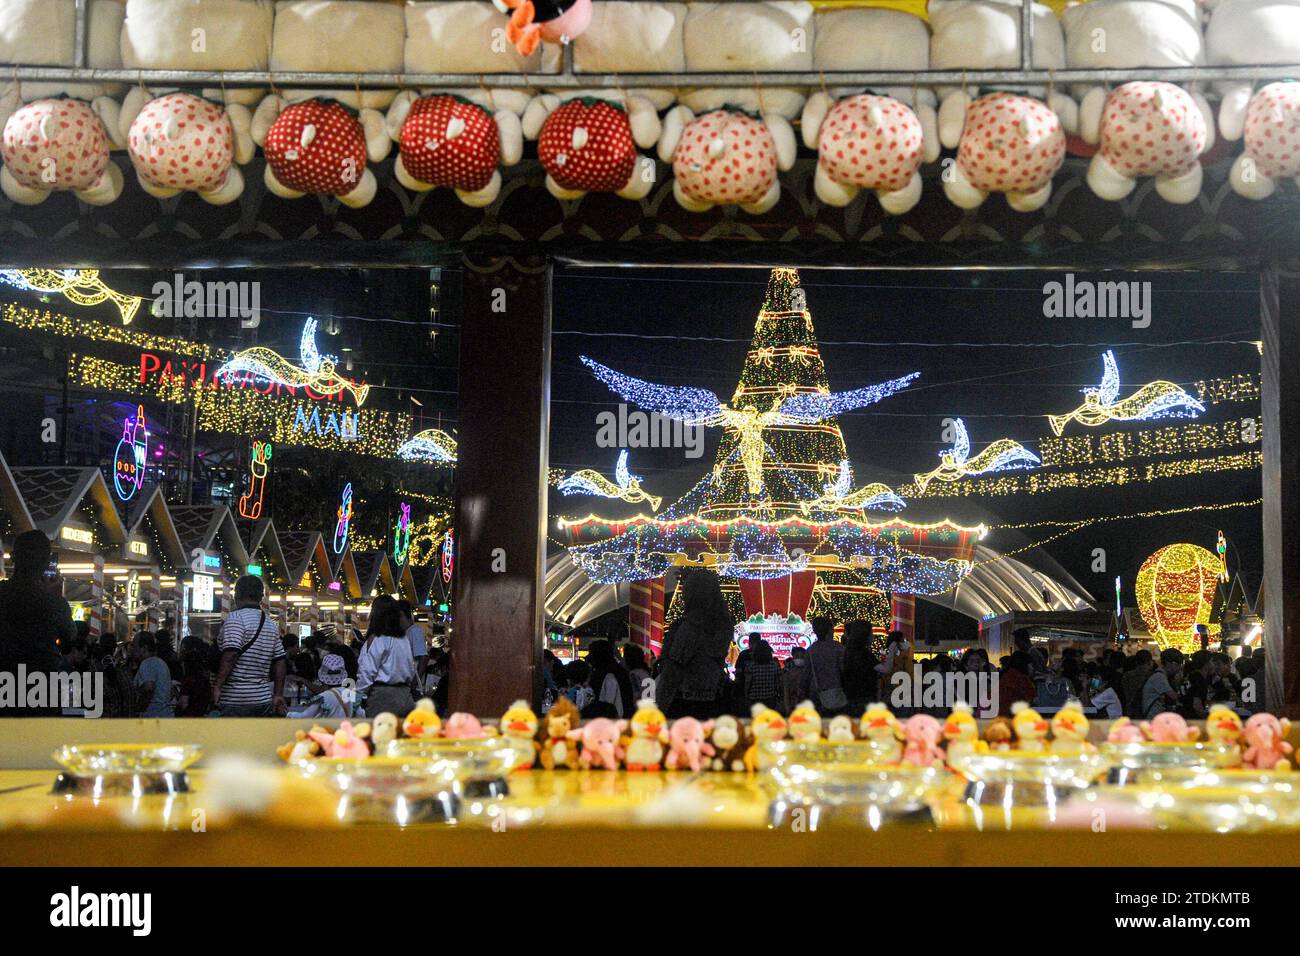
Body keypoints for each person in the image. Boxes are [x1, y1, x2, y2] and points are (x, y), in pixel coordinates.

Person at [0, 530, 75, 715]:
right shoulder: (54, 602)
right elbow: (69, 641)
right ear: (46, 561)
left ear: (13, 557)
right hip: (41, 693)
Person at [654, 569, 732, 719]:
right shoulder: (723, 626)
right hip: (712, 702)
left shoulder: (689, 626)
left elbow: (672, 672)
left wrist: (659, 709)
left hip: (683, 703)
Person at [213, 574, 287, 716]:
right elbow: (280, 661)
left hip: (235, 699)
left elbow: (231, 654)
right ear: (261, 597)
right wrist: (278, 694)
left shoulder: (236, 619)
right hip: (263, 699)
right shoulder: (270, 624)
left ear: (237, 594)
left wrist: (218, 685)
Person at [357, 595, 417, 718]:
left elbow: (367, 673)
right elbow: (411, 668)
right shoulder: (403, 639)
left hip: (382, 699)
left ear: (375, 614)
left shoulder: (377, 639)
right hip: (406, 696)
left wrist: (357, 695)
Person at [289, 653, 359, 719]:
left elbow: (304, 717)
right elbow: (361, 713)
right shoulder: (351, 693)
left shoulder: (322, 697)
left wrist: (286, 713)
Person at [806, 616, 847, 715]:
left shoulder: (811, 650)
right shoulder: (838, 648)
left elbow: (806, 674)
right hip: (837, 692)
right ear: (829, 630)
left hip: (816, 692)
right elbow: (844, 669)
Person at [586, 638, 634, 718]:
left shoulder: (603, 675)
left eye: (590, 653)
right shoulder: (619, 671)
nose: (588, 657)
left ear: (598, 655)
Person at [130, 631, 174, 718]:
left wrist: (139, 708)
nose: (132, 649)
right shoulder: (160, 662)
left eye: (134, 646)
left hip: (154, 716)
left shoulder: (147, 663)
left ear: (144, 648)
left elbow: (148, 688)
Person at [841, 620, 880, 711]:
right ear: (865, 635)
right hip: (865, 697)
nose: (873, 636)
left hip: (850, 696)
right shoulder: (865, 654)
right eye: (871, 632)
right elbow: (885, 668)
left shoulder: (847, 652)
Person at [1140, 647, 1184, 718]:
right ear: (1169, 663)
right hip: (1152, 718)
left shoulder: (1161, 676)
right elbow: (1174, 696)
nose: (1179, 668)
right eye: (1177, 664)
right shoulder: (1159, 677)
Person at [176, 635, 213, 717]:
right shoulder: (204, 676)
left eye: (181, 648)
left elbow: (184, 704)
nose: (179, 652)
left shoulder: (190, 678)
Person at [743, 637, 783, 713]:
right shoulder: (774, 665)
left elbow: (748, 682)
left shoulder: (751, 665)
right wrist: (779, 694)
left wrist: (746, 694)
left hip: (754, 697)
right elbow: (778, 681)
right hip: (770, 697)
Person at [397, 599, 429, 691]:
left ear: (401, 615)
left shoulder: (415, 631)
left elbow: (424, 658)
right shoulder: (407, 632)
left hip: (411, 686)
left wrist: (413, 684)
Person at [997, 651, 1038, 716]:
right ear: (1024, 665)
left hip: (1000, 714)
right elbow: (1033, 699)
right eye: (1031, 665)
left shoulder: (1006, 675)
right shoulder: (1022, 679)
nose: (1033, 668)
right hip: (1014, 716)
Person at [1121, 649, 1154, 718]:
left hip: (1129, 709)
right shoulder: (1151, 676)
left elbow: (1125, 693)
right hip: (1146, 710)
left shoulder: (1127, 675)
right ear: (1149, 662)